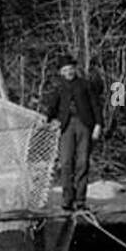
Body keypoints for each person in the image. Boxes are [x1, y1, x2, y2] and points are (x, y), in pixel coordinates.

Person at [41, 53, 103, 212]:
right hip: (66, 127)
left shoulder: (85, 84)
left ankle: (81, 200)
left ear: (75, 69)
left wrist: (98, 125)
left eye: (71, 69)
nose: (69, 72)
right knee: (66, 163)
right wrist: (46, 120)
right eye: (65, 69)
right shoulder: (59, 86)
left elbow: (96, 105)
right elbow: (52, 108)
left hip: (85, 125)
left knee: (82, 163)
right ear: (61, 72)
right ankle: (67, 200)